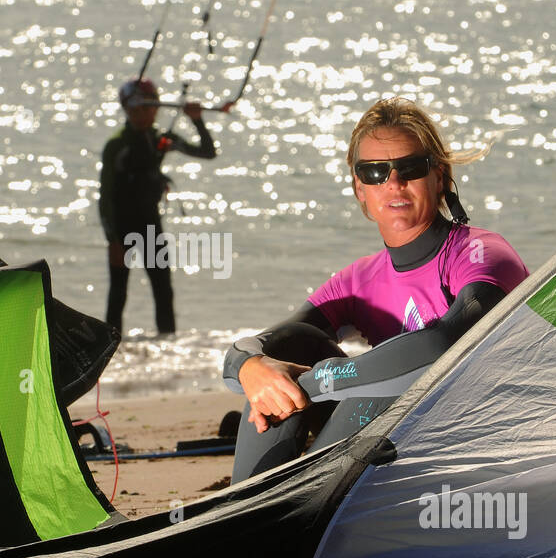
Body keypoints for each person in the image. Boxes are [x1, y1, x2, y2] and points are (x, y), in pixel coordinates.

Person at [222, 96, 529, 483]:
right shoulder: (357, 280)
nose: (394, 183)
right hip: (391, 447)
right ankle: (246, 500)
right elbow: (252, 352)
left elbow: (442, 345)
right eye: (374, 172)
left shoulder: (481, 254)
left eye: (411, 167)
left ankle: (293, 501)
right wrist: (252, 369)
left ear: (440, 177)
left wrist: (318, 381)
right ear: (359, 188)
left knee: (378, 393)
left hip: (476, 446)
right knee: (284, 352)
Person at [99, 77, 217, 335]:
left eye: (148, 109)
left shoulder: (161, 139)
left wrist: (196, 119)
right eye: (135, 110)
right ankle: (110, 350)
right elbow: (105, 197)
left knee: (163, 289)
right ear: (127, 111)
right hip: (121, 228)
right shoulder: (117, 144)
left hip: (151, 225)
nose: (142, 115)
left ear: (156, 109)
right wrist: (113, 240)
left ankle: (168, 348)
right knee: (118, 292)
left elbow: (208, 152)